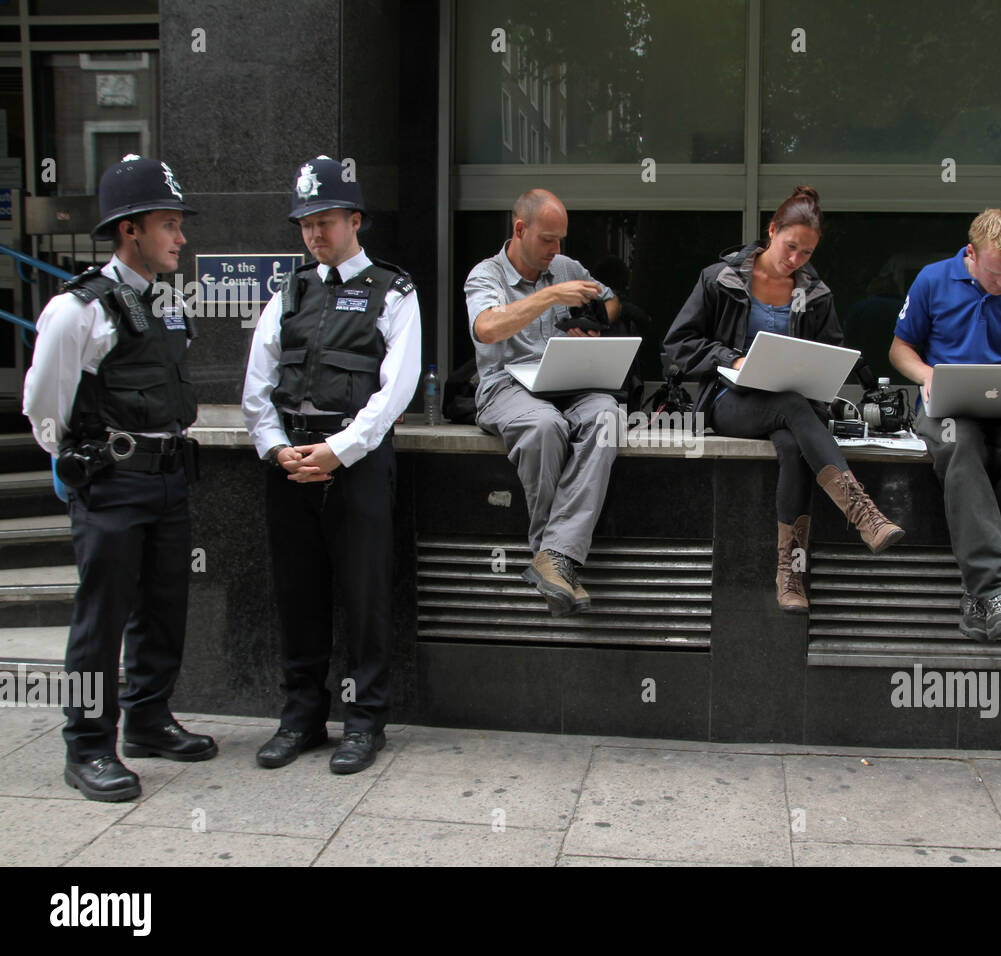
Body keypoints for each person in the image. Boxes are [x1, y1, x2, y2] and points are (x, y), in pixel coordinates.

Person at [22, 154, 215, 802]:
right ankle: (87, 747)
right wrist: (76, 463)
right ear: (130, 229)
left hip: (166, 481)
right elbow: (44, 405)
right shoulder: (78, 310)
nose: (181, 237)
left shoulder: (162, 304)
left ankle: (150, 721)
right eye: (169, 224)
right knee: (101, 620)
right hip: (110, 484)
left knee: (164, 611)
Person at [242, 155, 421, 774]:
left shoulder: (394, 293)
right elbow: (257, 387)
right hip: (290, 465)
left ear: (355, 220)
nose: (315, 233)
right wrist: (276, 447)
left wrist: (338, 451)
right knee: (299, 595)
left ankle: (364, 723)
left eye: (326, 220)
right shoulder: (287, 293)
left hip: (358, 466)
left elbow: (393, 393)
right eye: (305, 223)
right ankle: (301, 719)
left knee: (366, 596)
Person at [664, 186, 904, 614]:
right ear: (771, 231)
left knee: (793, 440)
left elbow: (829, 353)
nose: (795, 260)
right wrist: (731, 358)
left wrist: (812, 369)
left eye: (806, 253)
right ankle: (863, 512)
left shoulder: (817, 294)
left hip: (789, 407)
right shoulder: (720, 278)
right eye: (790, 247)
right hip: (730, 400)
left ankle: (789, 573)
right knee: (793, 408)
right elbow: (678, 345)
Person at [889, 209, 1001, 641]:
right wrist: (927, 374)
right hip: (946, 407)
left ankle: (981, 590)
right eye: (995, 274)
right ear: (971, 253)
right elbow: (900, 349)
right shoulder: (933, 280)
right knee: (961, 449)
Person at [463, 188, 621, 616]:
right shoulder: (486, 275)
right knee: (544, 426)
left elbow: (610, 298)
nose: (556, 250)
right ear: (520, 229)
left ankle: (553, 562)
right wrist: (550, 297)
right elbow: (489, 328)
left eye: (560, 240)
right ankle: (559, 560)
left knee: (607, 414)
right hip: (506, 388)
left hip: (566, 383)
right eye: (548, 239)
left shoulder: (565, 266)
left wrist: (590, 325)